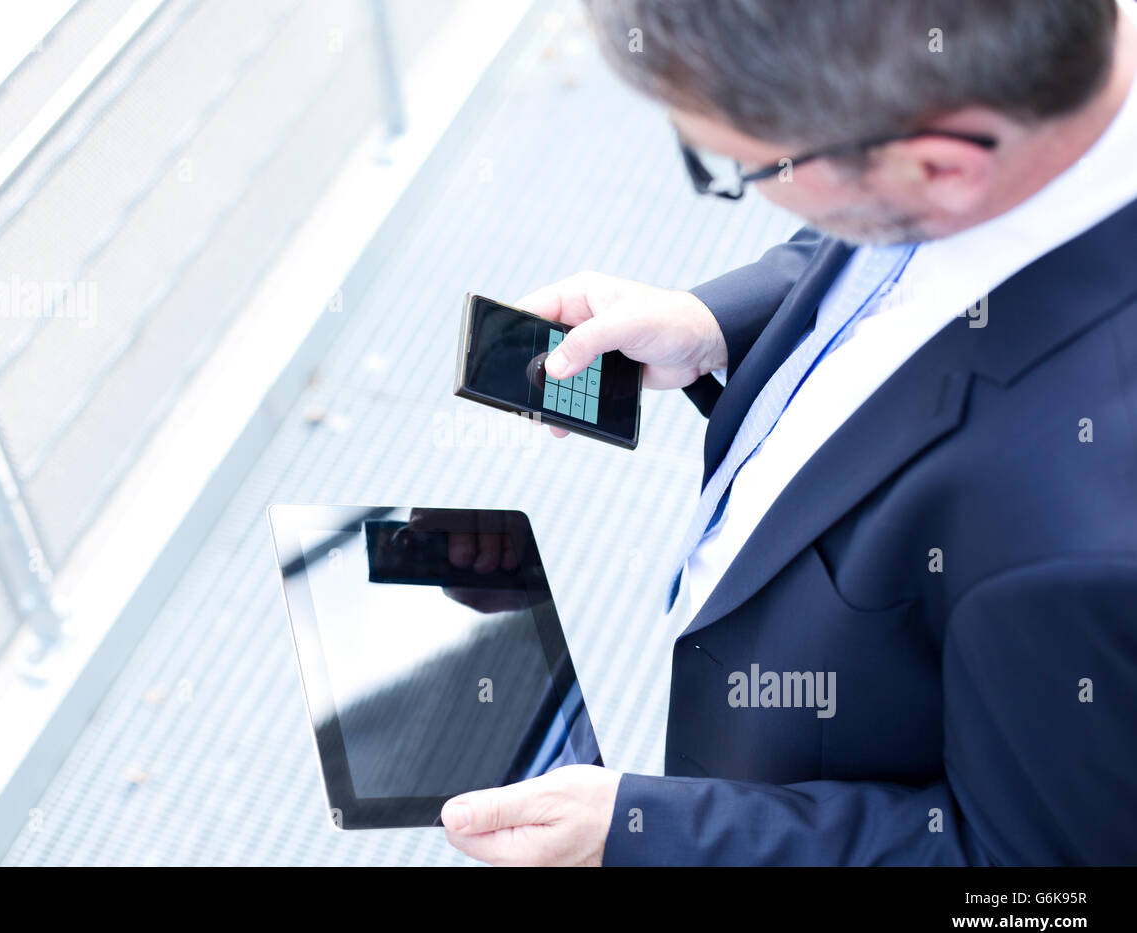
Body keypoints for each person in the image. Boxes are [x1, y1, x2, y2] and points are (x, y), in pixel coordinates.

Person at [440, 0, 1137, 865]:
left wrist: (657, 839)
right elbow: (889, 241)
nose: (735, 168)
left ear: (942, 167)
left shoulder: (1076, 538)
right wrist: (713, 320)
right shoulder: (1009, 120)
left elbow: (1031, 892)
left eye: (739, 162)